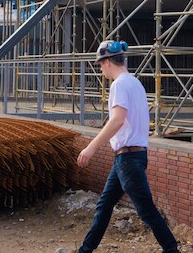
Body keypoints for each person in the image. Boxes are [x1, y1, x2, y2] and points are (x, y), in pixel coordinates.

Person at [61, 40, 179, 253]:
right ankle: (85, 250)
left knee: (145, 209)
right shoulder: (135, 83)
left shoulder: (119, 84)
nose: (100, 69)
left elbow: (117, 120)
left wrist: (91, 147)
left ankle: (172, 249)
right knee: (104, 205)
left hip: (128, 158)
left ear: (107, 62)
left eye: (100, 64)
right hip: (129, 157)